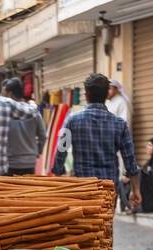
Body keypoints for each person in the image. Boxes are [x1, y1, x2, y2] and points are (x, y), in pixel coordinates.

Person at [54, 74, 141, 206]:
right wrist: (136, 189)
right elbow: (130, 160)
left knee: (84, 224)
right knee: (105, 224)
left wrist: (58, 173)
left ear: (86, 95)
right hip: (109, 188)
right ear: (106, 94)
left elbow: (61, 150)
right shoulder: (119, 124)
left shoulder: (72, 120)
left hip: (83, 187)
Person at [3, 77, 46, 177]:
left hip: (11, 161)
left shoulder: (5, 112)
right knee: (28, 189)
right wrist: (37, 151)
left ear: (9, 94)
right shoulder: (33, 111)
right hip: (30, 160)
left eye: (4, 93)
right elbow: (43, 135)